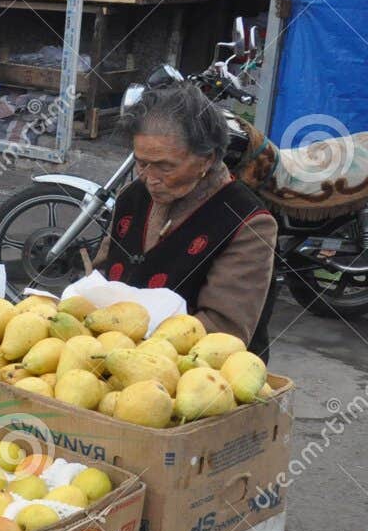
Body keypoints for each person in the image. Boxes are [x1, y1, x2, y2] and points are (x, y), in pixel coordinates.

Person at [93, 81, 277, 356]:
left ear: (206, 159)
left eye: (166, 166)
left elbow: (224, 330)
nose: (150, 178)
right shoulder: (133, 196)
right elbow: (102, 276)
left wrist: (135, 346)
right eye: (141, 163)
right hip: (113, 354)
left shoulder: (247, 222)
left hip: (200, 377)